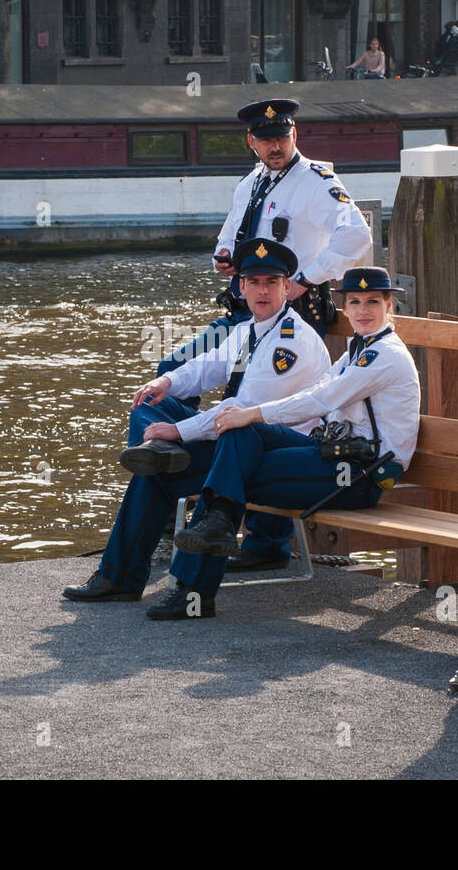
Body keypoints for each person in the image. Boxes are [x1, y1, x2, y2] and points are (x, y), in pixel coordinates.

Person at [152, 97, 371, 569]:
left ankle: (260, 541)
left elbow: (356, 236)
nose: (276, 146)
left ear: (296, 136)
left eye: (283, 138)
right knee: (172, 370)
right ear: (251, 142)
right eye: (267, 140)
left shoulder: (316, 182)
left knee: (265, 414)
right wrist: (224, 257)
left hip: (290, 313)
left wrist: (306, 278)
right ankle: (185, 474)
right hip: (242, 311)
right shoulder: (251, 182)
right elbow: (230, 233)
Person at [62, 239, 331, 617]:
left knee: (172, 470)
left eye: (272, 281)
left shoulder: (292, 342)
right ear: (241, 287)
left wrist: (178, 433)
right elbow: (204, 367)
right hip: (239, 442)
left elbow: (239, 412)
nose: (263, 290)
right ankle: (121, 576)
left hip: (276, 454)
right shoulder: (250, 330)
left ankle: (156, 586)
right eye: (254, 282)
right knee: (151, 407)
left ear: (288, 287)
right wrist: (167, 384)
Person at [165, 266, 421, 619]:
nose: (363, 311)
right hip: (331, 455)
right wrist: (249, 418)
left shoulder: (384, 355)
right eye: (355, 302)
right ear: (345, 307)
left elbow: (322, 400)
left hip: (361, 475)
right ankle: (217, 527)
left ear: (389, 307)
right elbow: (316, 392)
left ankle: (193, 589)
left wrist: (254, 412)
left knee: (237, 469)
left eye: (373, 302)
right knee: (239, 436)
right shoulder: (356, 350)